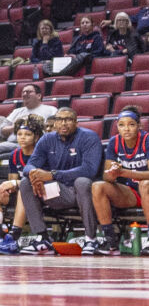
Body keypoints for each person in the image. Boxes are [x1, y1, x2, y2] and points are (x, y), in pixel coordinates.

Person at [16, 107, 103, 254]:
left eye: (68, 119)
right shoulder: (47, 139)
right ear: (55, 123)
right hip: (60, 192)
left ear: (76, 122)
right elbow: (30, 164)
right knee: (26, 182)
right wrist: (34, 174)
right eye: (59, 119)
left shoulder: (89, 137)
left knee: (82, 182)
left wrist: (53, 175)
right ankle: (43, 238)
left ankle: (91, 239)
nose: (63, 123)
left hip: (84, 193)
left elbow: (89, 169)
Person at [82, 108, 146, 254]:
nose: (126, 129)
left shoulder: (146, 140)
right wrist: (113, 172)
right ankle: (110, 240)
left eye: (131, 124)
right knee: (98, 186)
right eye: (122, 125)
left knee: (145, 184)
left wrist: (124, 172)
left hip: (147, 189)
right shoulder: (114, 142)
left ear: (139, 126)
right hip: (131, 192)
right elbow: (107, 177)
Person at [0, 119, 44, 249]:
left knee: (24, 189)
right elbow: (12, 181)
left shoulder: (41, 154)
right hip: (20, 193)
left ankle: (14, 234)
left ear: (36, 137)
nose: (22, 137)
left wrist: (15, 183)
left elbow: (38, 180)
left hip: (38, 193)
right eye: (19, 134)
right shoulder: (14, 154)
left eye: (27, 134)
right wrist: (8, 189)